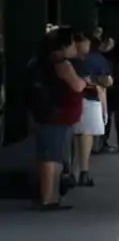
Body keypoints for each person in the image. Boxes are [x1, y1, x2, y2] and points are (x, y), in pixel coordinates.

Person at [31, 27, 86, 210]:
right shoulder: (62, 64)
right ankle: (48, 198)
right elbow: (77, 85)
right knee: (51, 158)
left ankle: (49, 196)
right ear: (63, 46)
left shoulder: (42, 60)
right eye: (71, 42)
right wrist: (86, 81)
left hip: (50, 113)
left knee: (51, 156)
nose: (75, 47)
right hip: (57, 115)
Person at [70, 34, 113, 186]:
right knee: (86, 135)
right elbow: (108, 81)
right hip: (90, 100)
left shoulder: (71, 60)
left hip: (72, 99)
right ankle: (83, 171)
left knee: (76, 136)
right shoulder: (98, 59)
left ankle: (73, 172)